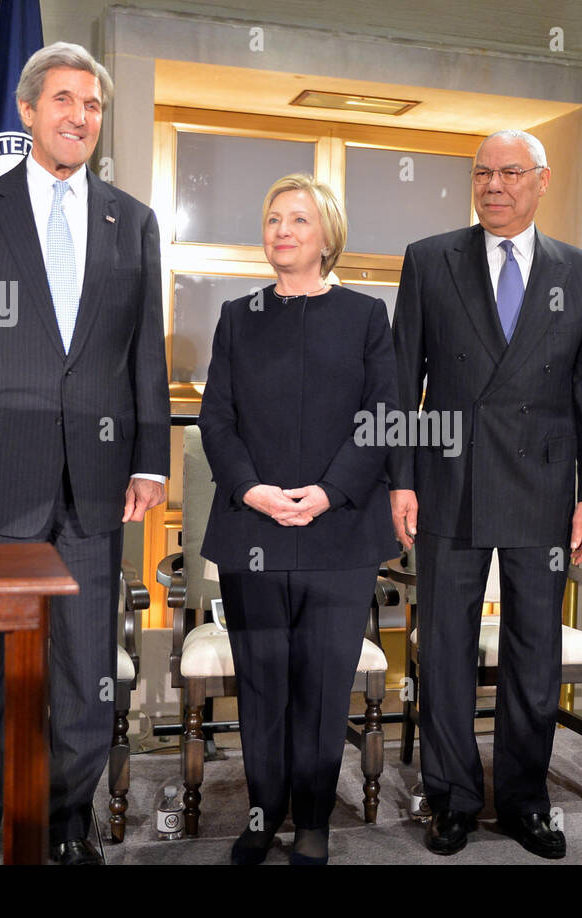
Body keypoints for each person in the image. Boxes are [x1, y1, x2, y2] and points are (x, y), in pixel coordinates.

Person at [0, 42, 169, 865]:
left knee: (85, 674)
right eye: (63, 101)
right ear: (28, 112)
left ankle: (62, 828)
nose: (79, 117)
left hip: (94, 491)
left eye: (91, 105)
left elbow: (144, 356)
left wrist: (150, 456)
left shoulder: (134, 220)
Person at [389, 130, 582, 859]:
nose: (493, 184)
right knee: (446, 647)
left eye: (510, 172)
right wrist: (399, 476)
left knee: (533, 651)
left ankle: (524, 798)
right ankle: (452, 797)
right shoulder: (429, 260)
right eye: (482, 172)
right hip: (447, 482)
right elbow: (401, 384)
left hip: (542, 487)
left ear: (541, 181)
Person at [198, 174, 399, 865]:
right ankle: (262, 813)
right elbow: (215, 418)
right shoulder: (237, 314)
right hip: (251, 529)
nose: (283, 230)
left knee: (320, 682)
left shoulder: (366, 316)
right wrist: (253, 490)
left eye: (299, 220)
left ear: (326, 237)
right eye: (274, 218)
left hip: (339, 532)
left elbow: (382, 418)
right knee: (261, 681)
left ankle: (312, 817)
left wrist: (329, 491)